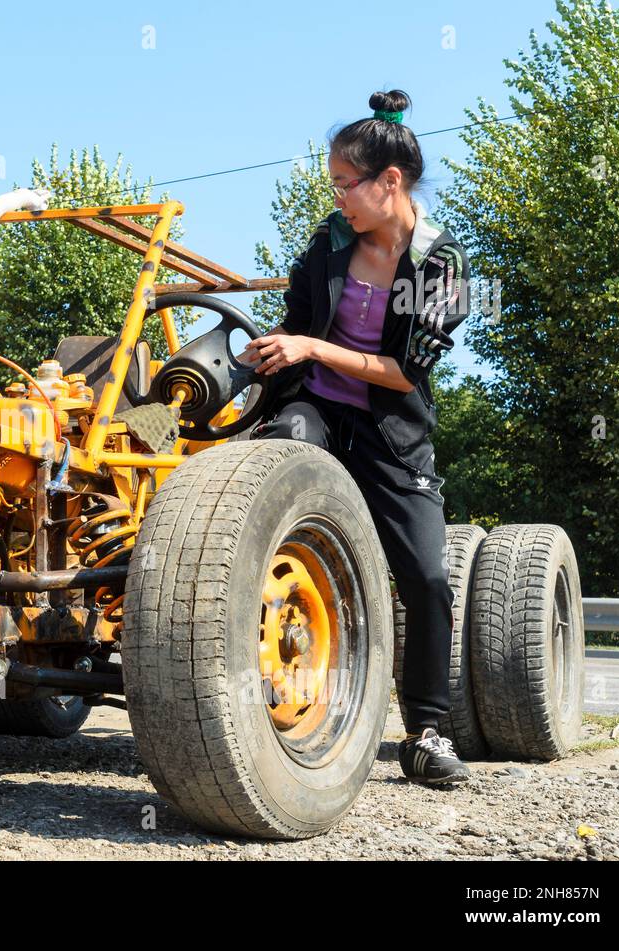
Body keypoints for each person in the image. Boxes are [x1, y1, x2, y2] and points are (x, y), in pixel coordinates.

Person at [244, 90, 472, 785]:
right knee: (280, 459)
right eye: (334, 184)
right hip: (313, 408)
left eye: (346, 184)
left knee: (428, 578)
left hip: (390, 431)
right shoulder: (328, 243)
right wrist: (277, 354)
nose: (337, 196)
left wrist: (311, 345)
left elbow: (405, 372)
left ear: (389, 183)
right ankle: (254, 695)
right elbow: (299, 322)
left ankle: (427, 732)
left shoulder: (442, 265)